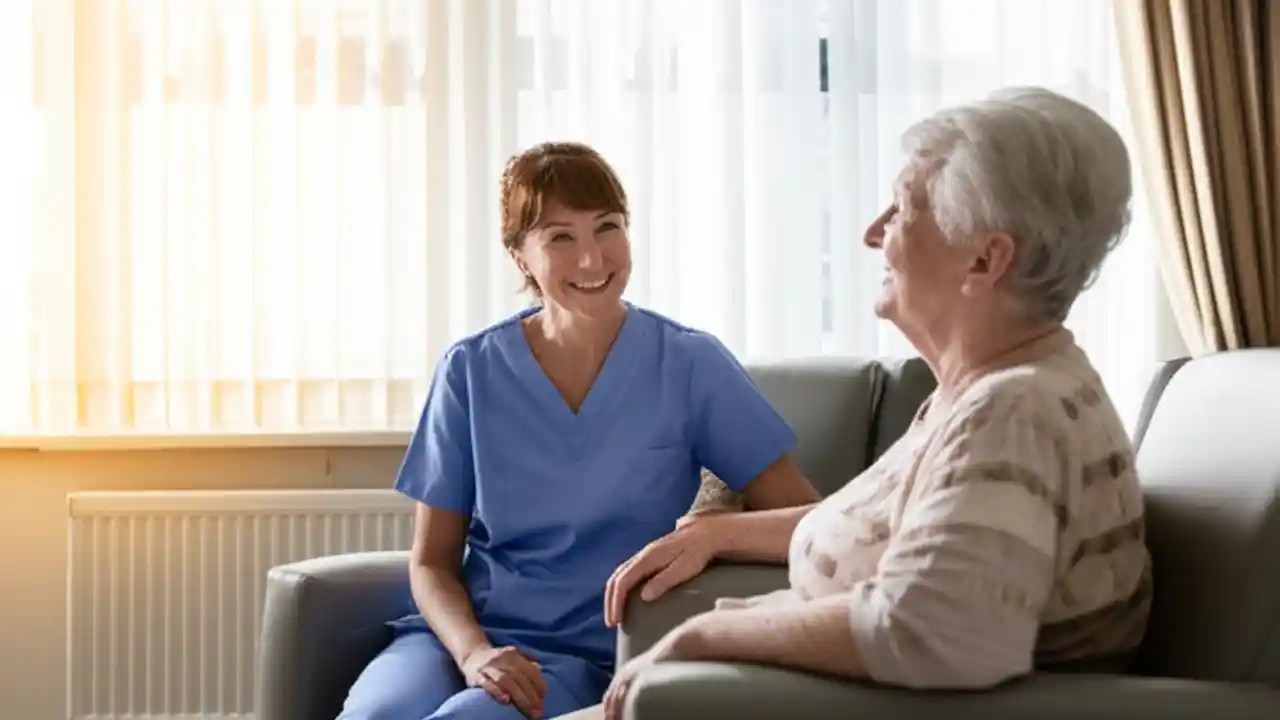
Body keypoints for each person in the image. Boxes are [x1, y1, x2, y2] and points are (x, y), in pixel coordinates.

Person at [602, 87, 1153, 719]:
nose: (872, 233)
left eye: (900, 209)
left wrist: (699, 636)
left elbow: (931, 633)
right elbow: (912, 530)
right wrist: (721, 533)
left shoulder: (1012, 414)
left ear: (985, 258)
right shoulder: (992, 389)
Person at [338, 142, 820, 720]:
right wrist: (474, 653)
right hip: (459, 640)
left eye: (607, 228)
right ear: (520, 256)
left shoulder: (691, 365)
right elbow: (432, 562)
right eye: (560, 237)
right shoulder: (470, 370)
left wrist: (711, 535)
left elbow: (815, 523)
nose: (592, 260)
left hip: (586, 655)